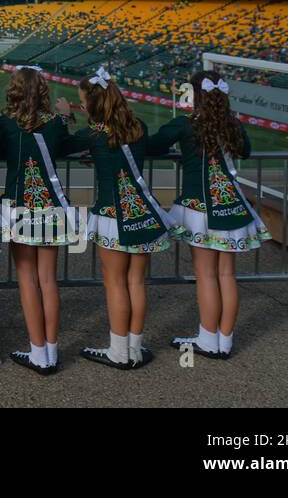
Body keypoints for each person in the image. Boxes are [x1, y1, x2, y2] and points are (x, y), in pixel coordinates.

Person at [148, 70, 270, 360]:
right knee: (226, 275)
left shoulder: (185, 124)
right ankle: (224, 341)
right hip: (230, 206)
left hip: (199, 208)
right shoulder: (232, 125)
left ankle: (207, 338)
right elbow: (247, 150)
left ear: (196, 95)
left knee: (205, 276)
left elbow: (153, 146)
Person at [58, 67, 171, 370]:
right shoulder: (139, 126)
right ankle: (134, 349)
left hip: (112, 215)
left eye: (83, 103)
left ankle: (118, 352)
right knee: (136, 281)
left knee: (115, 284)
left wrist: (65, 116)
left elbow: (62, 145)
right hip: (143, 213)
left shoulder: (93, 134)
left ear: (92, 105)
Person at [0, 65, 80, 376]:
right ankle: (52, 352)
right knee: (48, 280)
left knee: (28, 280)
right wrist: (67, 116)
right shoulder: (56, 124)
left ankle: (38, 351)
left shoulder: (5, 123)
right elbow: (70, 145)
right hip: (52, 207)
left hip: (19, 208)